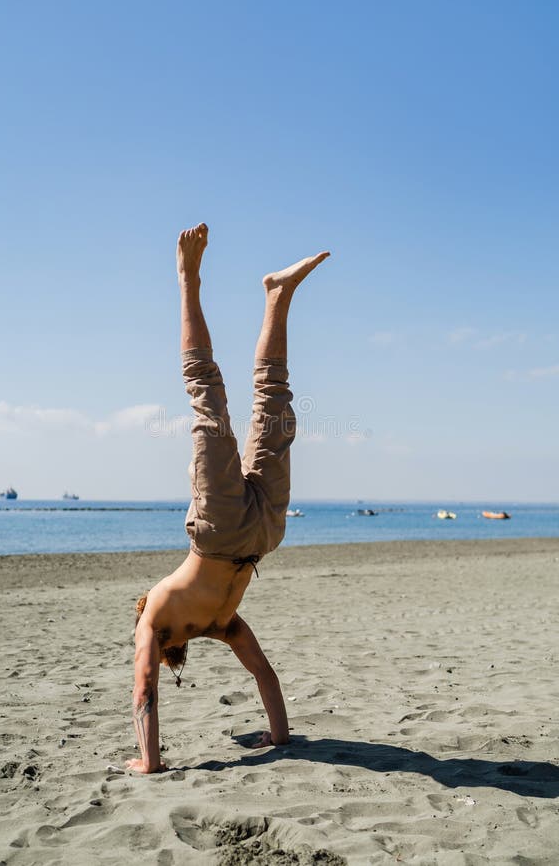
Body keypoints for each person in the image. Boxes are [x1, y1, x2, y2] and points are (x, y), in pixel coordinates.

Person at [126, 223, 329, 773]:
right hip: (251, 533)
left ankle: (190, 278)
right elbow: (263, 675)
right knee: (256, 401)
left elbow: (146, 687)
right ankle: (275, 295)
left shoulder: (172, 621)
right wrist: (280, 738)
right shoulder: (217, 623)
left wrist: (149, 763)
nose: (169, 658)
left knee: (229, 400)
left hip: (245, 537)